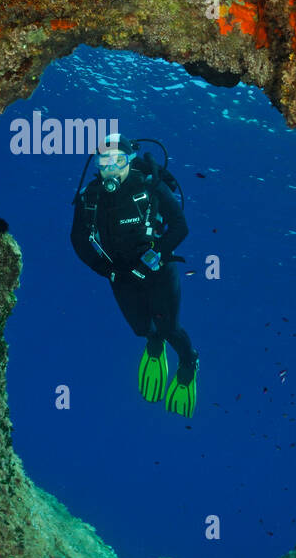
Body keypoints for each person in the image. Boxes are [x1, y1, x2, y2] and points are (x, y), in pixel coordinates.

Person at [70, 133, 199, 416]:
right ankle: (154, 345)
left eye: (118, 161)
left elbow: (180, 226)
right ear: (97, 165)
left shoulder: (150, 187)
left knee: (169, 328)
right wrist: (107, 270)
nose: (112, 168)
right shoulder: (89, 197)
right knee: (141, 329)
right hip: (121, 275)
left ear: (130, 161)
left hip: (158, 270)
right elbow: (78, 240)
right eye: (105, 162)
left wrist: (154, 257)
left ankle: (188, 361)